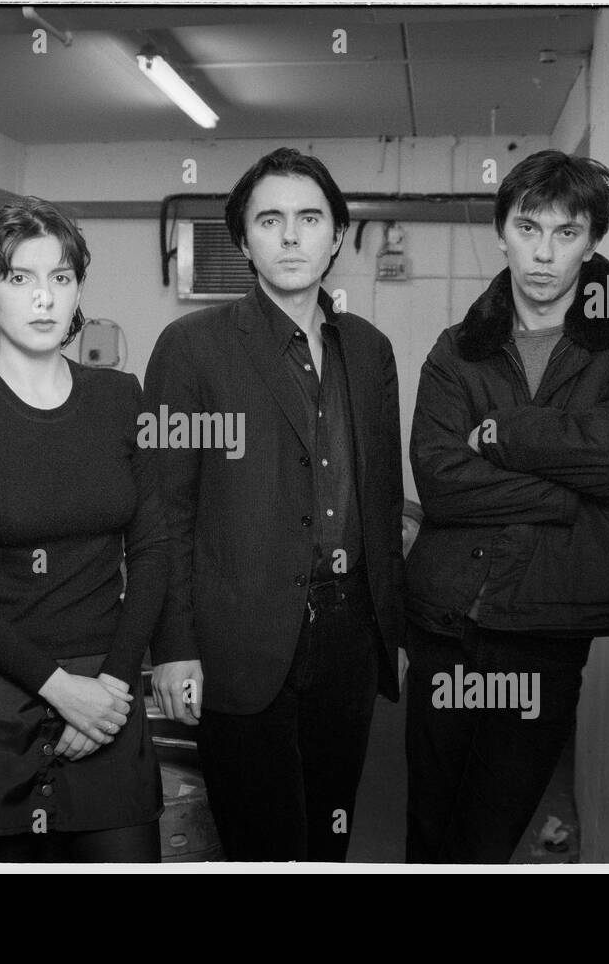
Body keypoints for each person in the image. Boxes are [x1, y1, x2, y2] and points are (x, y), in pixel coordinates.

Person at [403, 150, 609, 863]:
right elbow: (441, 479)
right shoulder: (457, 351)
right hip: (447, 620)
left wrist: (506, 435)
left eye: (566, 232)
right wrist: (566, 493)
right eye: (528, 229)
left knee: (489, 834)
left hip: (548, 627)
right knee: (429, 829)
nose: (544, 254)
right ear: (502, 233)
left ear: (592, 240)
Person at [144, 147, 407, 861]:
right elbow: (165, 510)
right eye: (270, 220)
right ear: (243, 240)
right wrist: (173, 648)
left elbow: (382, 500)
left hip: (349, 638)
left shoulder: (369, 350)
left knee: (327, 840)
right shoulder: (192, 347)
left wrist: (391, 630)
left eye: (309, 218)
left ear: (337, 234)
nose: (291, 236)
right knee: (263, 848)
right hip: (239, 643)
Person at [0, 197, 168, 863]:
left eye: (61, 277)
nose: (44, 297)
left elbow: (152, 549)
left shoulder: (121, 398)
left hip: (107, 690)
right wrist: (58, 687)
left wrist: (112, 687)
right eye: (20, 278)